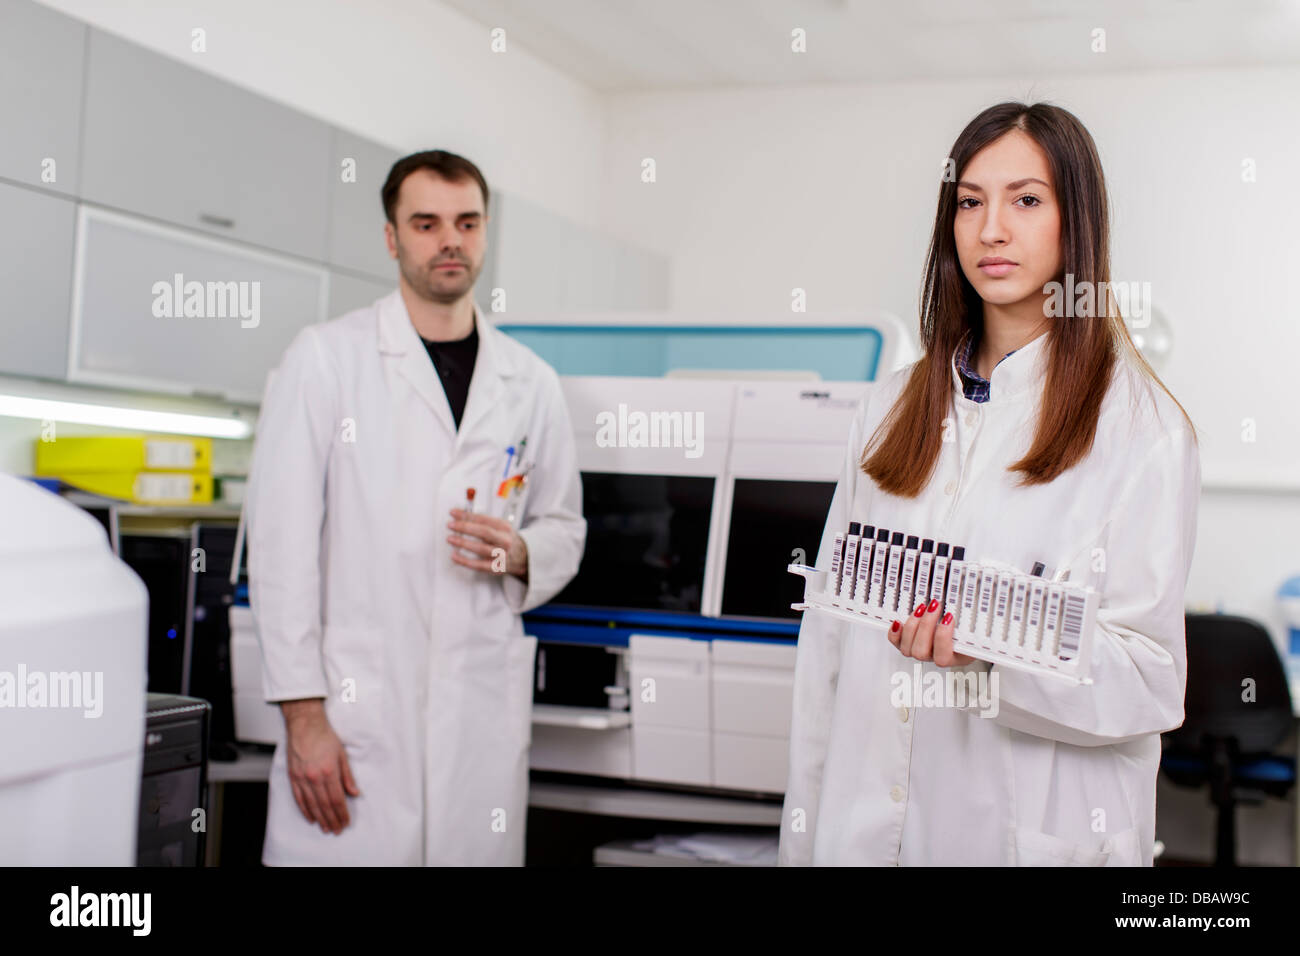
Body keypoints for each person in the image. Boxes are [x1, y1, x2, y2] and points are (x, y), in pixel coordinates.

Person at [779, 102, 1200, 866]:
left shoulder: (1143, 428)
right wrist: (804, 836)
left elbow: (1150, 682)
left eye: (1026, 200)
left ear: (1078, 224)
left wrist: (992, 654)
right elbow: (828, 651)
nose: (991, 229)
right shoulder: (887, 407)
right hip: (862, 829)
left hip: (1023, 838)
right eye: (970, 202)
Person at [245, 150, 586, 865]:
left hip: (478, 720)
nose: (449, 240)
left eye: (466, 222)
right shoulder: (326, 359)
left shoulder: (531, 381)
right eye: (426, 223)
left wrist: (523, 553)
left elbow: (563, 524)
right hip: (356, 712)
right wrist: (304, 719)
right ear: (392, 237)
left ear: (486, 232)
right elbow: (280, 552)